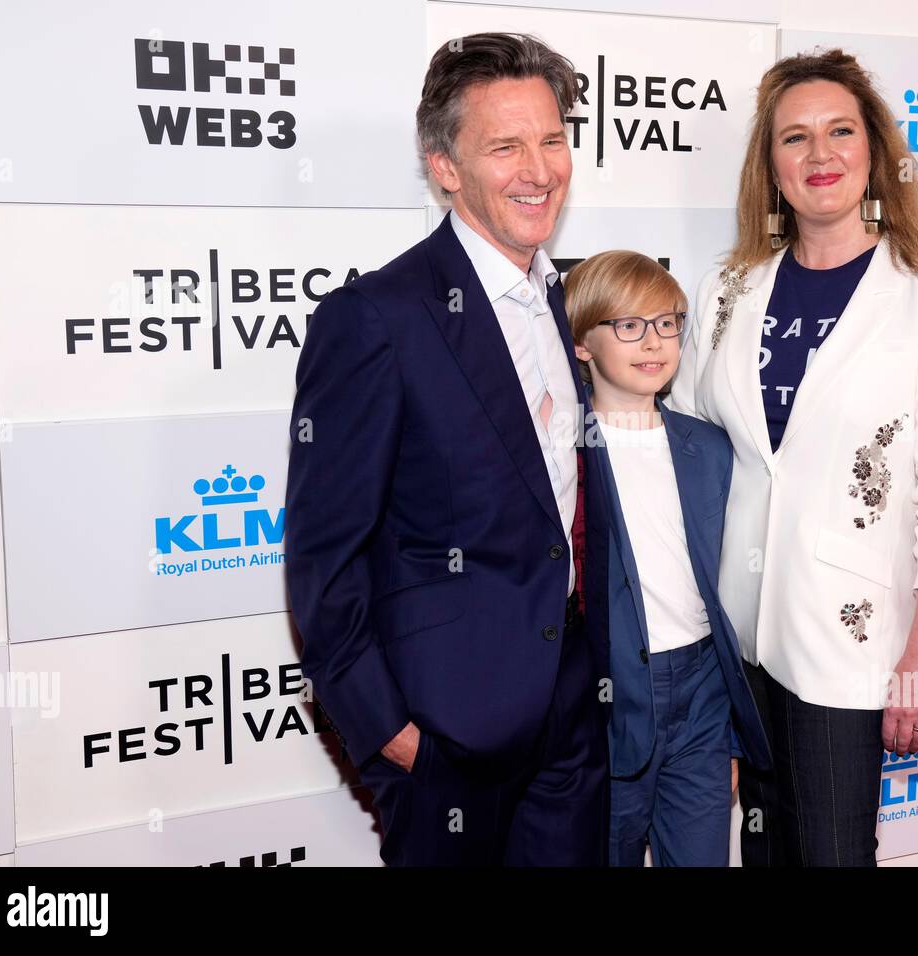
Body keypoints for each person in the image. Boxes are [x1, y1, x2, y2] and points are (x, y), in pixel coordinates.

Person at [666, 48, 918, 866]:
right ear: (770, 166)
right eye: (796, 138)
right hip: (736, 641)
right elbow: (691, 447)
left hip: (852, 651)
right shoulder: (727, 290)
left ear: (876, 151)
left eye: (840, 131)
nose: (820, 155)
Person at [284, 33, 608, 866]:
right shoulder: (376, 319)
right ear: (445, 166)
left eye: (552, 138)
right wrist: (390, 734)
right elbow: (325, 559)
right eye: (505, 146)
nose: (539, 168)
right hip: (444, 739)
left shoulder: (563, 300)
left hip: (570, 720)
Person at [565, 251, 771, 866]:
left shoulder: (708, 447)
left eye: (667, 322)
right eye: (628, 325)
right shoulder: (563, 454)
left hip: (703, 693)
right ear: (582, 343)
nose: (653, 341)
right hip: (609, 697)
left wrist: (727, 731)